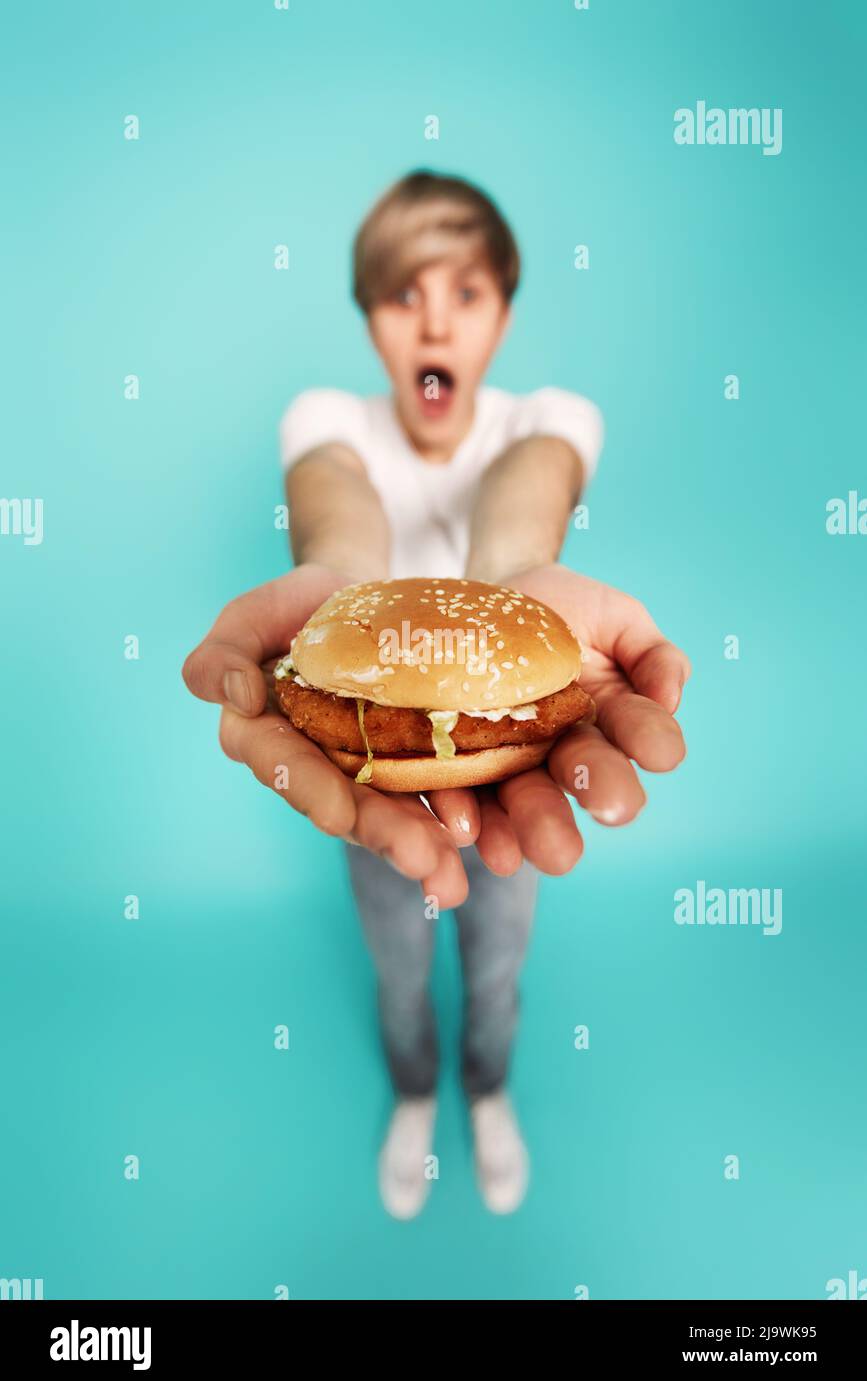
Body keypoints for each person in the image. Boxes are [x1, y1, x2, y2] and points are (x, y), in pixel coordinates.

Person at [182, 170, 690, 1220]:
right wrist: (337, 582)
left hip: (514, 778)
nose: (434, 322)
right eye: (404, 294)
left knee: (497, 960)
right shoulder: (328, 418)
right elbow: (339, 516)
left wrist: (507, 575)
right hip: (370, 777)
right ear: (370, 317)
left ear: (504, 312)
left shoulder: (548, 417)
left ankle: (488, 1088)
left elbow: (525, 499)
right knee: (399, 964)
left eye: (465, 294)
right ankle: (415, 1092)